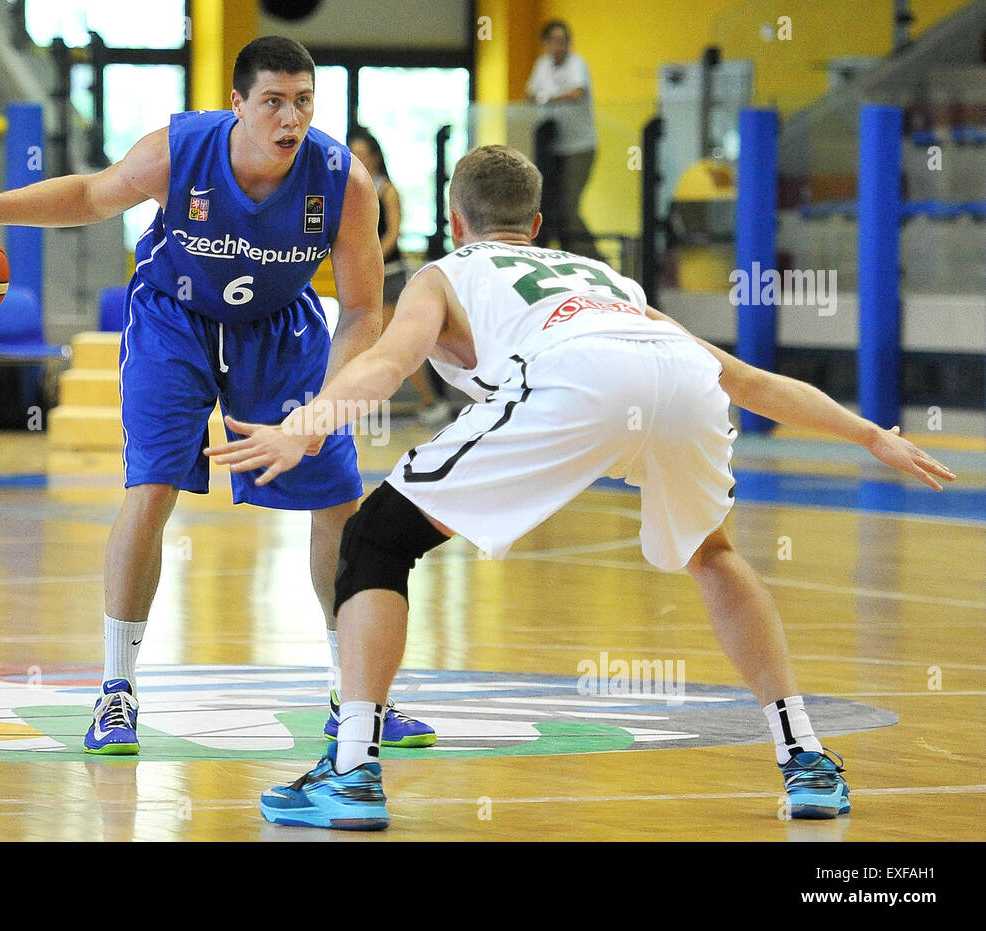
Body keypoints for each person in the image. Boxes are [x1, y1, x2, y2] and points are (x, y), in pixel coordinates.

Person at [205, 145, 957, 830]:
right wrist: (868, 433)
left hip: (573, 379)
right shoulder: (607, 278)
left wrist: (309, 420)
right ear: (535, 223)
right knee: (713, 553)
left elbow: (389, 363)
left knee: (374, 539)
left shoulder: (445, 272)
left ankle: (351, 771)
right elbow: (746, 379)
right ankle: (807, 758)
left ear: (453, 218)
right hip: (678, 379)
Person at [0, 36, 436, 754]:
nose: (290, 118)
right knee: (151, 490)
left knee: (338, 504)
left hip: (281, 330)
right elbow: (92, 194)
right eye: (273, 101)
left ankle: (357, 695)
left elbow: (363, 310)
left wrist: (330, 402)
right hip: (172, 318)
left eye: (304, 102)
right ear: (237, 104)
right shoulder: (179, 151)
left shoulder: (342, 182)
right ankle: (116, 691)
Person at [346, 127, 450, 427]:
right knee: (362, 341)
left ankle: (432, 402)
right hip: (359, 276)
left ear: (376, 157)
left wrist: (369, 258)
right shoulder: (349, 189)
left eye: (364, 154)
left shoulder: (386, 190)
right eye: (354, 154)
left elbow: (393, 232)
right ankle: (357, 405)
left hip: (388, 275)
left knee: (395, 343)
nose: (359, 159)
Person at [525, 19, 604, 261]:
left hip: (580, 147)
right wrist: (546, 98)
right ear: (546, 43)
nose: (560, 46)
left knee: (569, 207)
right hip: (554, 149)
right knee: (551, 208)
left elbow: (576, 92)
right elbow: (529, 94)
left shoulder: (577, 64)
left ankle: (595, 261)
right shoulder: (542, 65)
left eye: (564, 41)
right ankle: (564, 259)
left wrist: (547, 98)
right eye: (555, 41)